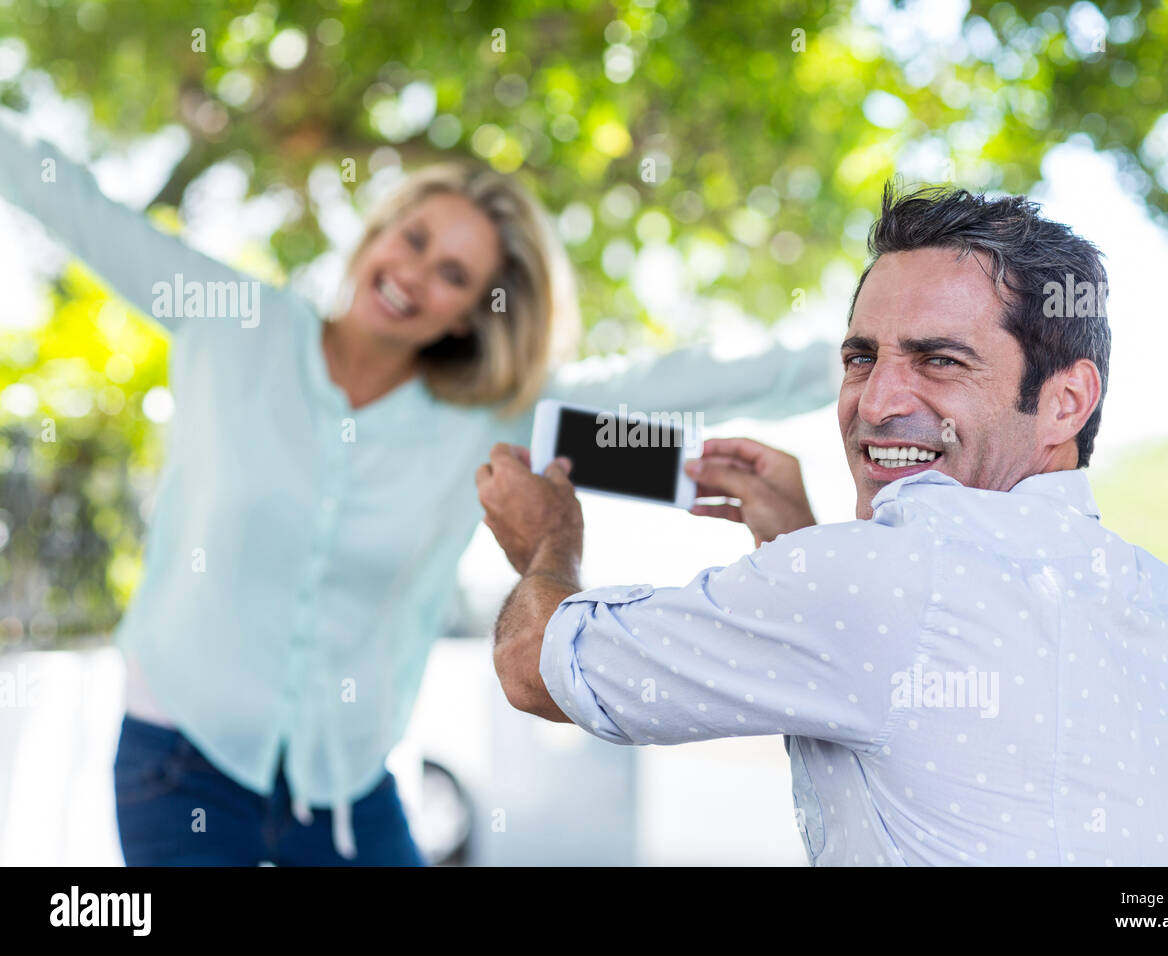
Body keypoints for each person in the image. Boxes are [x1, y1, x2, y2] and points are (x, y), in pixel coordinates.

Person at [0, 114, 839, 865]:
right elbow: (73, 202)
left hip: (347, 789)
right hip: (177, 760)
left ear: (469, 316)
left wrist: (869, 359)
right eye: (412, 239)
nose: (414, 275)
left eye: (452, 274)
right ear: (376, 233)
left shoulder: (487, 421)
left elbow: (675, 386)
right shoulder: (233, 322)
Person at [476, 183, 1168, 866]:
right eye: (861, 357)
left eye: (938, 361)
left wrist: (548, 540)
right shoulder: (1161, 598)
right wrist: (799, 543)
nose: (873, 403)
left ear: (1066, 401)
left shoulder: (876, 584)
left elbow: (535, 664)